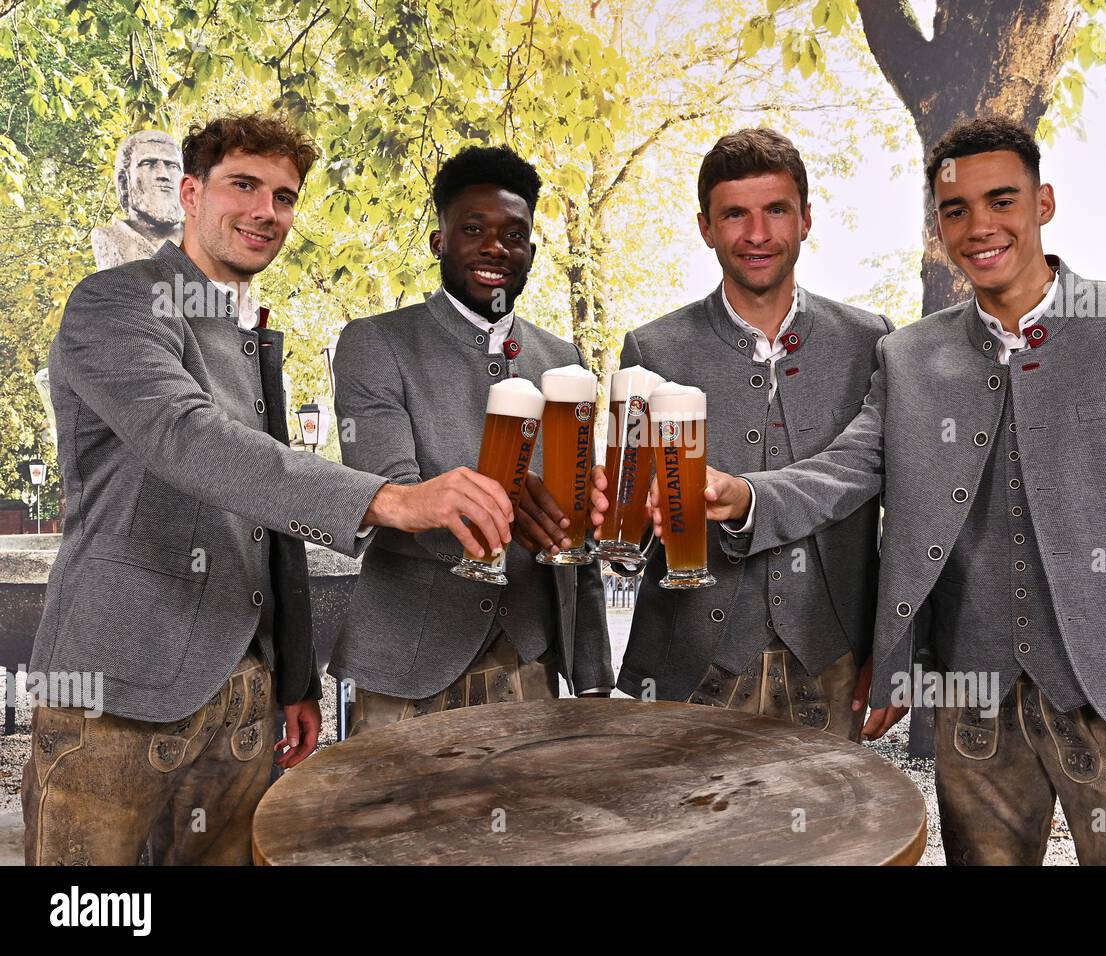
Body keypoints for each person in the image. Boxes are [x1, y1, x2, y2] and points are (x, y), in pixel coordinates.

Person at [698, 117, 1106, 865]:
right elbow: (844, 470)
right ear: (938, 226)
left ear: (1043, 202)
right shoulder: (911, 355)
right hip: (972, 703)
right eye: (956, 211)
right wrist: (744, 496)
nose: (980, 227)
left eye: (1002, 201)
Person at [23, 114, 517, 866]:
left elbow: (266, 510)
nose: (266, 211)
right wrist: (390, 498)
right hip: (115, 692)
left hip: (245, 704)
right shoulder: (114, 302)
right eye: (243, 186)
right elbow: (187, 439)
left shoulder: (252, 333)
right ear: (190, 194)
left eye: (284, 197)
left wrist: (293, 676)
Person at [590, 129, 890, 739]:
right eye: (734, 215)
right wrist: (620, 530)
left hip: (831, 661)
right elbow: (635, 532)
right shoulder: (653, 348)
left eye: (776, 210)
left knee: (835, 835)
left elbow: (901, 507)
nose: (757, 234)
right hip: (686, 664)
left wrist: (897, 652)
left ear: (805, 219)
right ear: (706, 227)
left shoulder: (871, 340)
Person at [329, 145, 613, 734]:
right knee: (393, 827)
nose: (495, 247)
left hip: (532, 662)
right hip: (409, 666)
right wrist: (514, 507)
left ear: (531, 251)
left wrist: (591, 676)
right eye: (474, 229)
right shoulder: (374, 343)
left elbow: (574, 534)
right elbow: (390, 495)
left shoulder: (562, 359)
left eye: (514, 234)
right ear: (439, 241)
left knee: (535, 825)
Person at [91, 130, 186, 269]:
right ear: (124, 183)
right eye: (148, 163)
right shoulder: (110, 239)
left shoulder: (204, 241)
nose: (163, 174)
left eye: (172, 166)